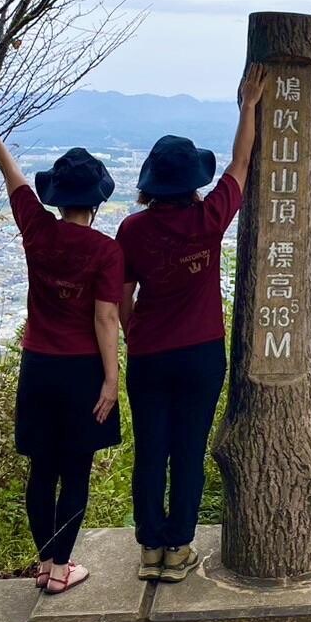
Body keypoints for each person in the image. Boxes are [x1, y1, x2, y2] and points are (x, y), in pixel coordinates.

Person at [0, 78, 123, 595]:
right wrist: (112, 379)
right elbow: (106, 320)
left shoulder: (37, 230)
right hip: (82, 370)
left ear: (58, 196)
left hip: (38, 366)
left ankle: (46, 562)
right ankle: (62, 569)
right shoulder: (105, 251)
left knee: (41, 470)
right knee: (76, 471)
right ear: (94, 201)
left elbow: (12, 176)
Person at [117, 63, 267, 583]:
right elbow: (241, 163)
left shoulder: (132, 230)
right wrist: (248, 105)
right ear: (192, 184)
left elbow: (121, 293)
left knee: (150, 450)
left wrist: (134, 330)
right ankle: (179, 548)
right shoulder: (207, 220)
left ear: (151, 184)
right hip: (202, 352)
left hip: (150, 355)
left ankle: (150, 549)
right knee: (188, 450)